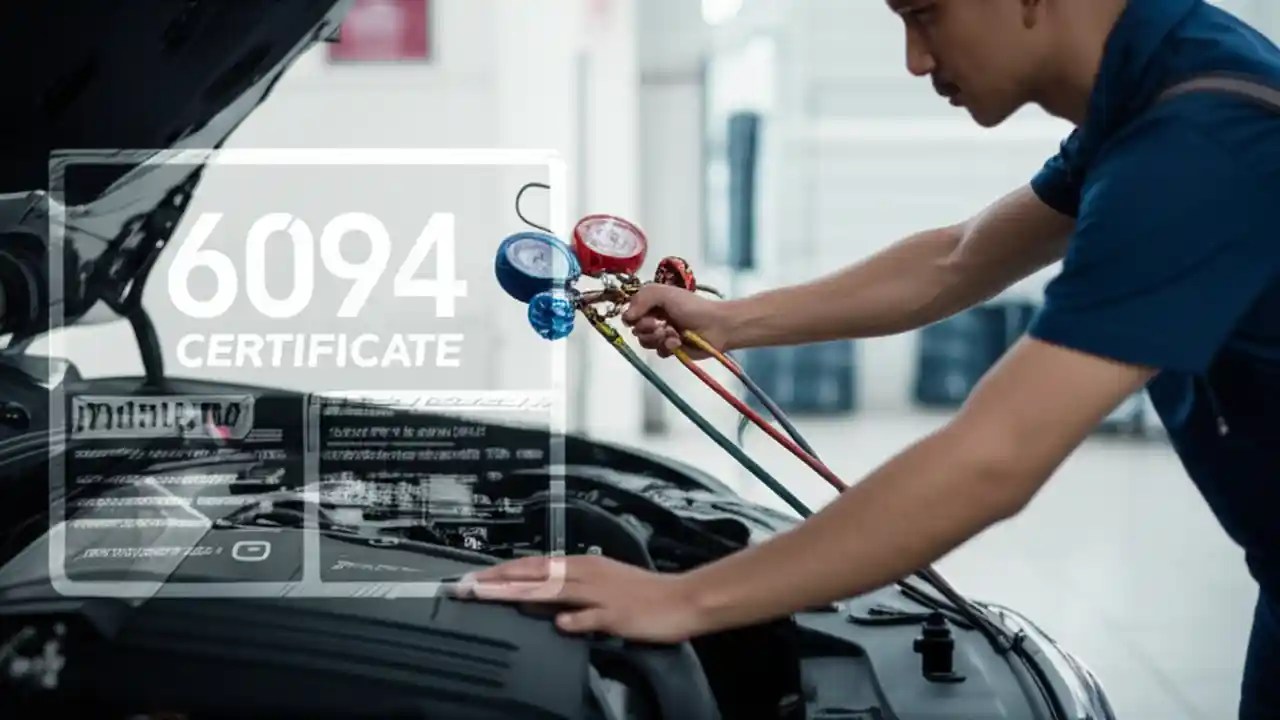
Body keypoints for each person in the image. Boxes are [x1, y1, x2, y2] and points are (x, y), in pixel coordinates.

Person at [458, 1, 1280, 717]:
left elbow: (996, 457)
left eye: (925, 14)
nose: (916, 59)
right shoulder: (1155, 85)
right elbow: (956, 259)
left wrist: (685, 601)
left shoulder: (1197, 143)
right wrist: (729, 320)